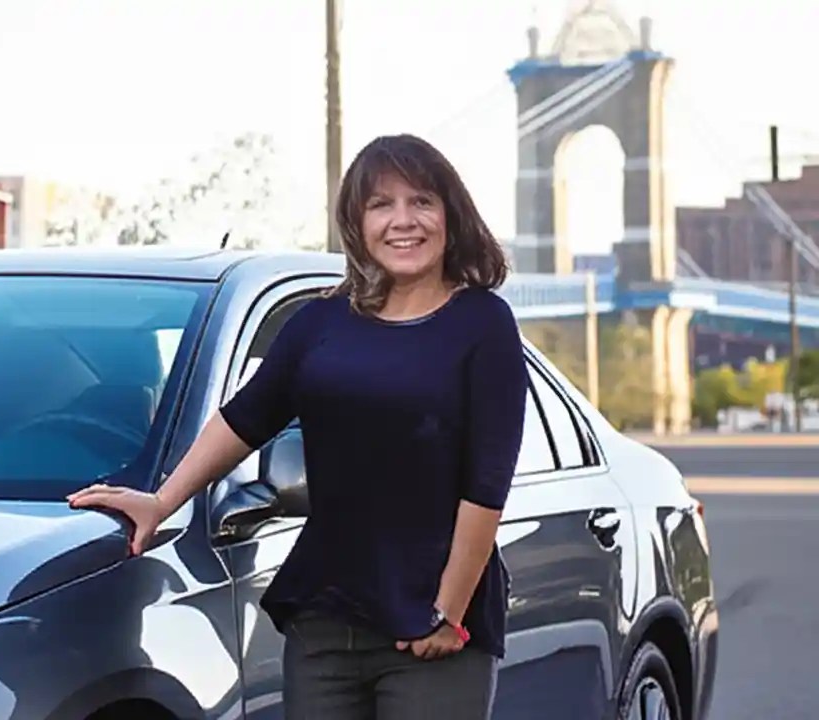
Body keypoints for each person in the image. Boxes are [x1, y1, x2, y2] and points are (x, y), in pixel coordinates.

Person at [67, 133, 527, 719]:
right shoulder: (320, 323)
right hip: (325, 623)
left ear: (450, 214)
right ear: (356, 223)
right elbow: (244, 419)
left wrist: (451, 611)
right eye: (381, 204)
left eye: (422, 202)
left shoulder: (483, 323)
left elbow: (487, 483)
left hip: (431, 626)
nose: (403, 221)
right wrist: (162, 501)